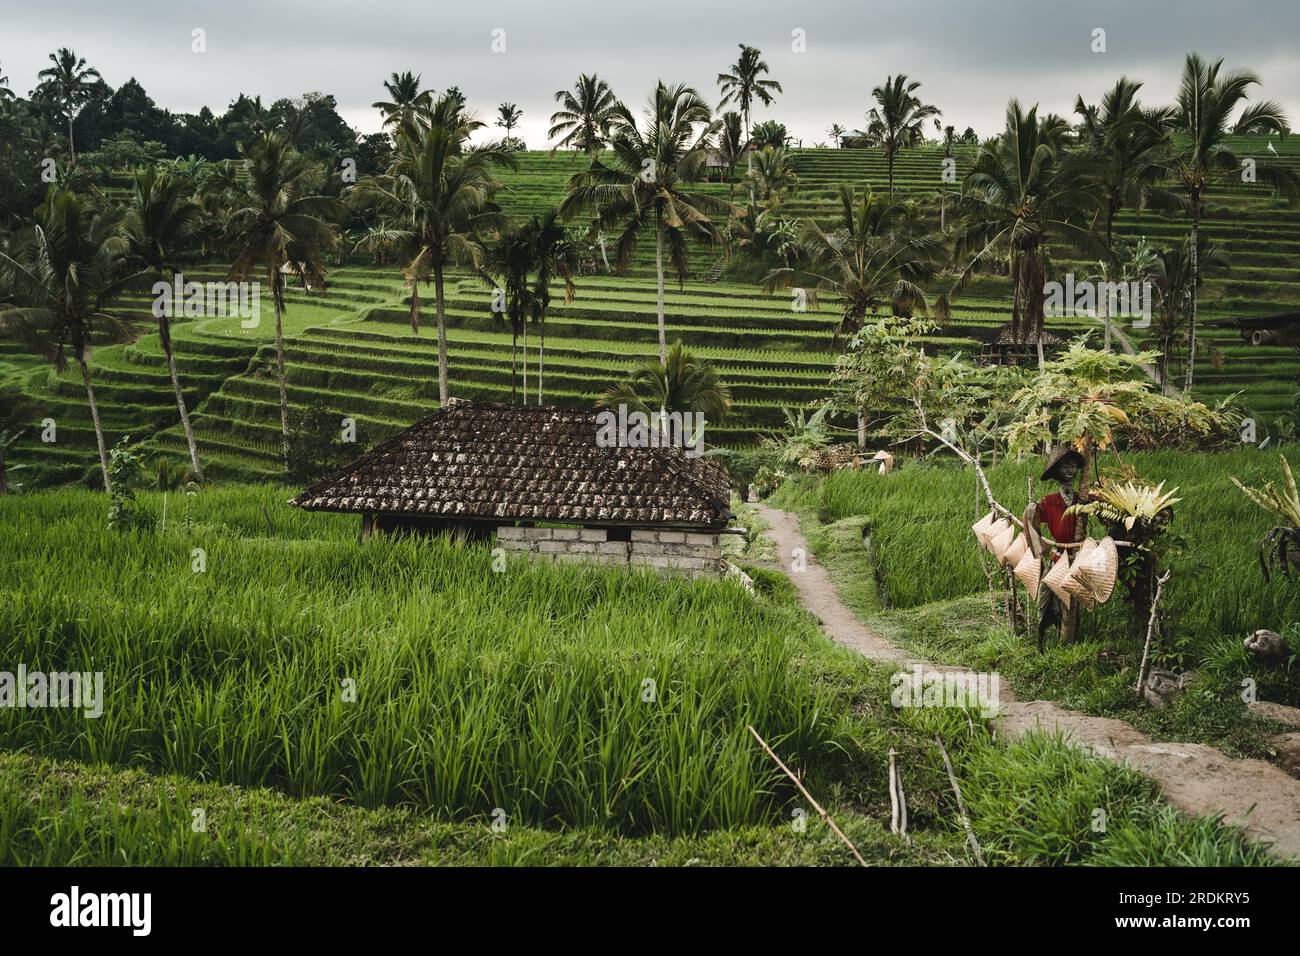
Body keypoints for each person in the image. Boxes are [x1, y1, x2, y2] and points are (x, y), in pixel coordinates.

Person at [1026, 445, 1087, 648]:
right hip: (1057, 557)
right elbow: (1030, 521)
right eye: (1064, 466)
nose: (1069, 471)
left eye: (1073, 466)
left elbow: (1105, 513)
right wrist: (1044, 548)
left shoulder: (1083, 500)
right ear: (1057, 471)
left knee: (1072, 601)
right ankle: (1042, 639)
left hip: (1078, 556)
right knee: (1046, 595)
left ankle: (1068, 642)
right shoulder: (1049, 502)